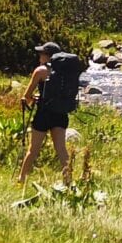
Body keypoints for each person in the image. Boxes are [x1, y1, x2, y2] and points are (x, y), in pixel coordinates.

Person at [18, 41, 76, 185]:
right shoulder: (66, 73)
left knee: (33, 150)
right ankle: (68, 180)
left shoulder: (40, 71)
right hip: (61, 114)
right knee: (61, 149)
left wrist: (33, 99)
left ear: (48, 56)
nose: (39, 56)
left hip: (43, 114)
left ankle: (22, 179)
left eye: (41, 53)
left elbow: (27, 96)